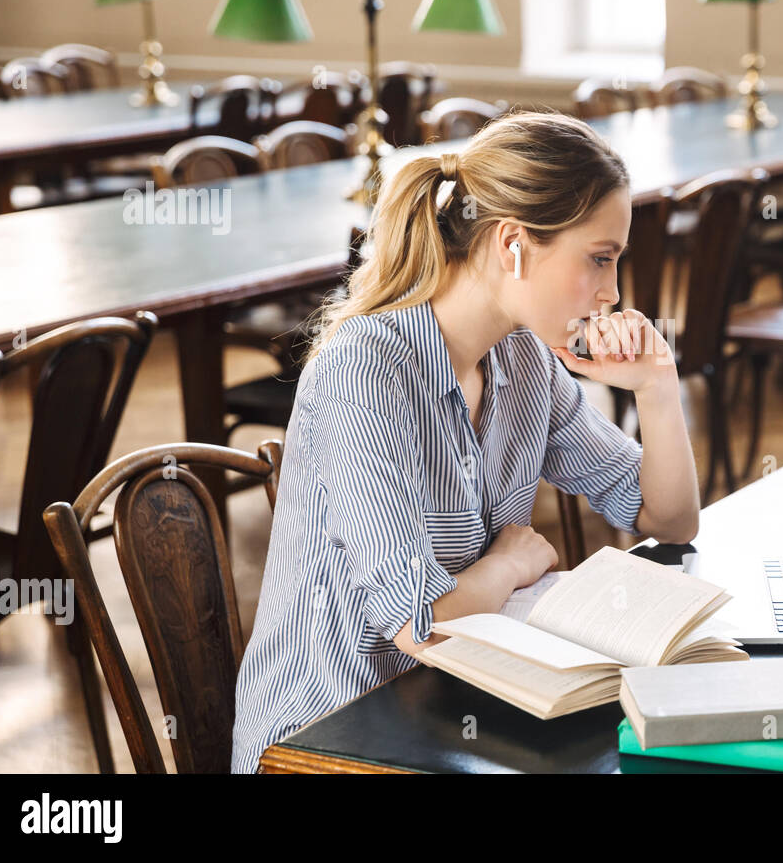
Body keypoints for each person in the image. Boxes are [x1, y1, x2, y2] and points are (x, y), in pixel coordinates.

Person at [231, 110, 700, 772]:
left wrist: (657, 387)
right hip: (325, 741)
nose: (613, 291)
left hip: (452, 712)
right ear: (513, 244)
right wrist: (508, 565)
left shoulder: (525, 361)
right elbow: (418, 625)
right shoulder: (363, 375)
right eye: (599, 259)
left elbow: (670, 520)